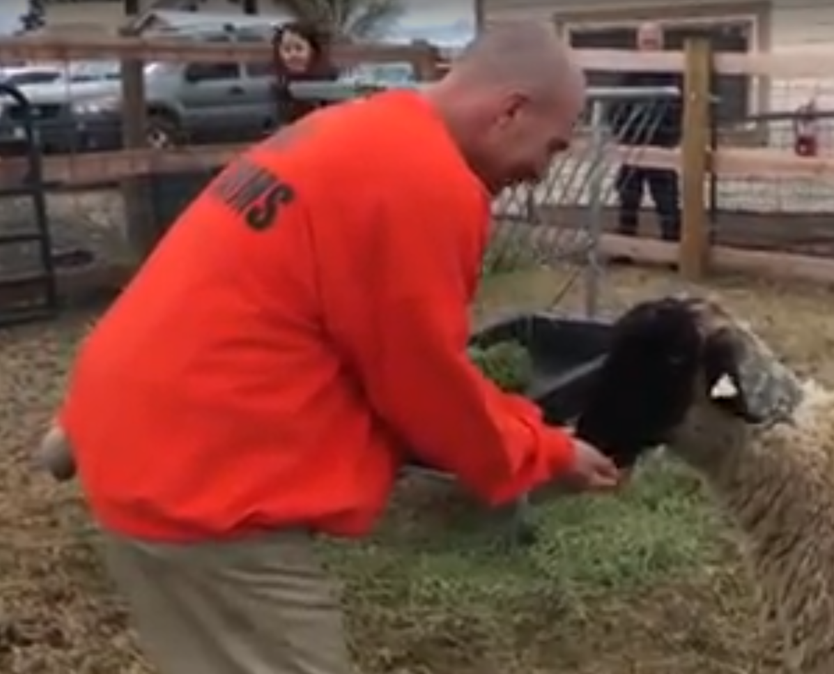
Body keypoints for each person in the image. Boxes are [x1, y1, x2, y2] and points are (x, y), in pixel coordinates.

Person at [55, 22, 621, 674]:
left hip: (137, 437)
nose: (539, 173)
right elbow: (424, 386)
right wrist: (548, 452)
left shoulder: (357, 130)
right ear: (511, 111)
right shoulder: (423, 180)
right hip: (205, 487)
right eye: (551, 149)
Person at [611, 21, 683, 243]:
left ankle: (673, 248)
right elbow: (615, 107)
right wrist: (622, 135)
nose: (648, 45)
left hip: (661, 144)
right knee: (628, 196)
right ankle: (625, 246)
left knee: (667, 199)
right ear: (638, 43)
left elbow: (684, 107)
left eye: (652, 41)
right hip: (632, 145)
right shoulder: (629, 73)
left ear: (661, 43)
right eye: (645, 41)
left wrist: (672, 136)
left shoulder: (674, 72)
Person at [271, 21, 338, 125]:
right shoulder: (282, 80)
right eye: (286, 50)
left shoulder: (325, 77)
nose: (293, 54)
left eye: (299, 48)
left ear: (312, 50)